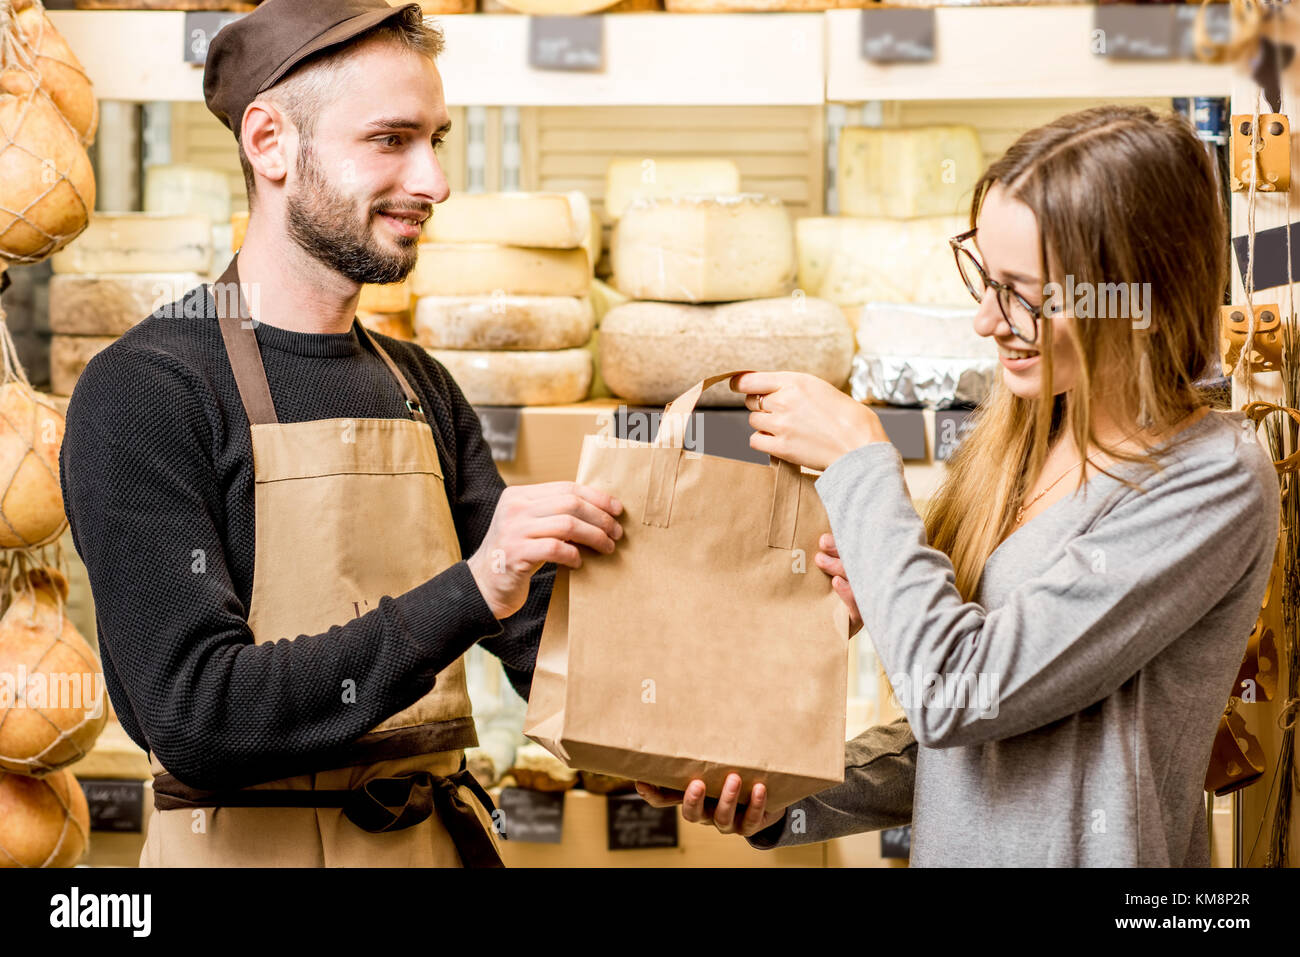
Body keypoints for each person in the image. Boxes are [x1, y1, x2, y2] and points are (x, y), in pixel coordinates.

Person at [637, 105, 1281, 866]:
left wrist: (859, 464)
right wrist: (788, 795)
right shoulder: (1020, 440)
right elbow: (974, 741)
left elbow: (958, 693)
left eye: (1024, 293)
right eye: (986, 276)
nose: (985, 320)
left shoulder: (1209, 478)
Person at [59, 0, 623, 867]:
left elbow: (549, 652)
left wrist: (724, 740)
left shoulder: (421, 387)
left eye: (436, 140)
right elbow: (199, 714)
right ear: (271, 143)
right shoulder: (148, 390)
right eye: (391, 140)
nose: (434, 182)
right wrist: (473, 588)